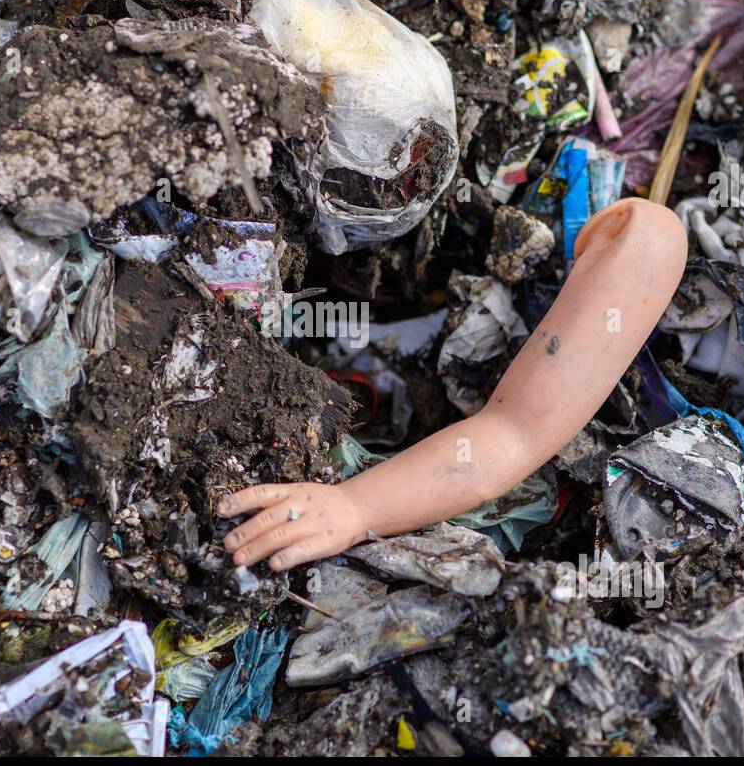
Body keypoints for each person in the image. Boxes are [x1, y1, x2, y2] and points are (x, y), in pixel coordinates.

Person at [217, 196, 689, 571]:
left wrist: (354, 508)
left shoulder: (644, 237)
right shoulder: (644, 237)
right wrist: (352, 507)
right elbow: (514, 433)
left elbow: (512, 434)